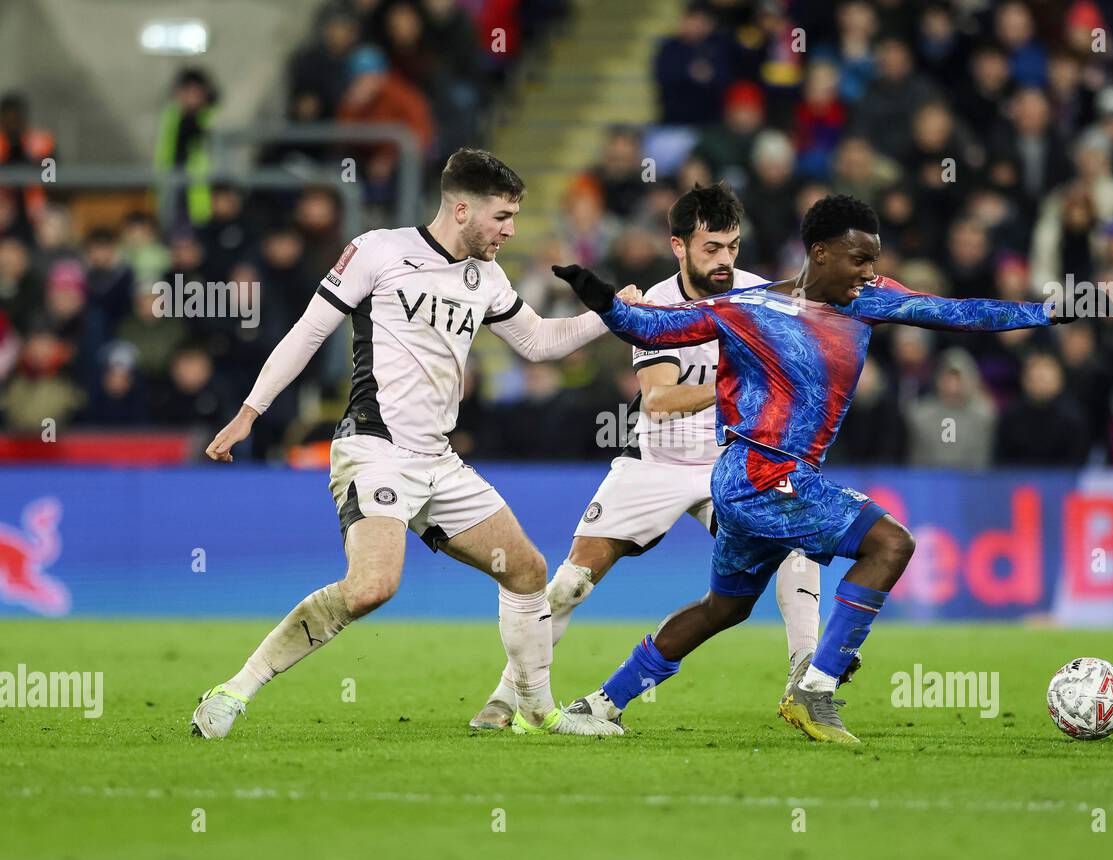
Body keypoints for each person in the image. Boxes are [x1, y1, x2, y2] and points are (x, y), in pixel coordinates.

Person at [551, 195, 1064, 744]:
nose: (869, 273)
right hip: (761, 475)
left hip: (749, 481)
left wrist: (1051, 311)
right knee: (890, 545)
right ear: (819, 254)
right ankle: (814, 688)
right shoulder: (749, 308)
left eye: (874, 261)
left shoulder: (866, 300)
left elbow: (959, 312)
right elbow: (653, 329)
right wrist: (603, 300)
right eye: (858, 260)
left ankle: (601, 703)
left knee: (724, 608)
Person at [191, 149, 627, 740]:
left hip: (436, 459)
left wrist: (613, 311)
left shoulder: (487, 277)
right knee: (372, 587)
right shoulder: (380, 250)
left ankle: (535, 712)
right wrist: (250, 411)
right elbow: (309, 331)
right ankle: (232, 692)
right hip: (374, 445)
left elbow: (539, 343)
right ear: (463, 207)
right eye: (502, 217)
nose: (511, 230)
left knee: (526, 570)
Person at [469, 183, 824, 730]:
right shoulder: (654, 307)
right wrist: (742, 378)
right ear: (678, 246)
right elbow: (659, 402)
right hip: (656, 464)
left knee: (799, 548)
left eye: (732, 246)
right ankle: (507, 696)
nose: (725, 260)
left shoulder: (762, 297)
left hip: (733, 461)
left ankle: (805, 681)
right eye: (711, 248)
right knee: (568, 585)